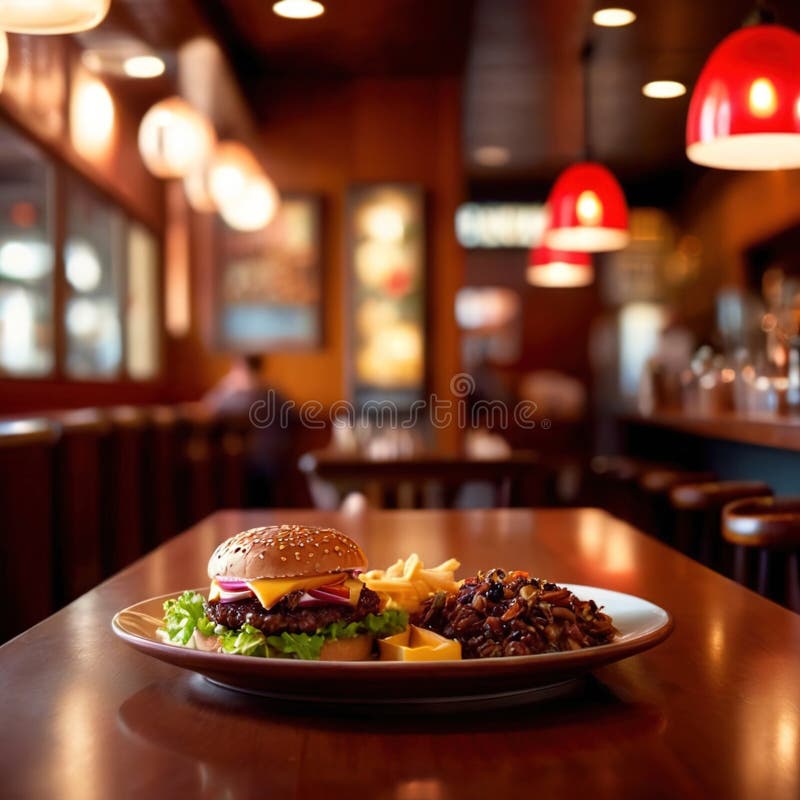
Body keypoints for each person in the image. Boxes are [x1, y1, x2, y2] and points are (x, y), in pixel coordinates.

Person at [203, 354, 294, 507]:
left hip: (252, 460)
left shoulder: (242, 395)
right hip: (279, 456)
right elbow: (293, 413)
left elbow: (209, 409)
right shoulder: (274, 390)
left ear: (241, 368)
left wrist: (226, 386)